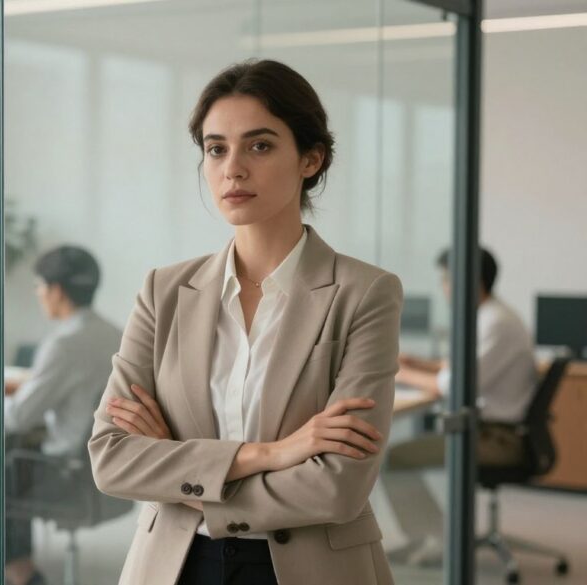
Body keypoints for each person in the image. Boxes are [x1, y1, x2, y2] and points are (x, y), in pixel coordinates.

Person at [87, 59, 403, 585]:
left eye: (259, 145)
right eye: (216, 149)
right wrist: (272, 454)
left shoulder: (364, 293)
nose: (232, 168)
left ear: (310, 158)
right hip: (175, 565)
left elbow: (339, 486)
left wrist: (185, 471)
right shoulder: (163, 292)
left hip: (310, 567)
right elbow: (112, 458)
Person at [0, 246, 122, 585]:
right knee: (10, 461)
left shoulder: (64, 343)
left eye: (39, 286)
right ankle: (21, 565)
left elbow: (16, 418)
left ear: (56, 290)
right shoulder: (114, 334)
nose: (38, 294)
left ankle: (20, 573)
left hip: (61, 474)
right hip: (102, 468)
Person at [385, 248, 537, 566]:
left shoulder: (495, 323)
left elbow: (457, 385)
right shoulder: (492, 315)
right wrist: (419, 364)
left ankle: (437, 542)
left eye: (446, 279)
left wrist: (392, 367)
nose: (444, 287)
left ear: (472, 281)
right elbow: (459, 368)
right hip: (492, 430)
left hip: (496, 439)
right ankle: (436, 539)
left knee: (397, 458)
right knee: (402, 454)